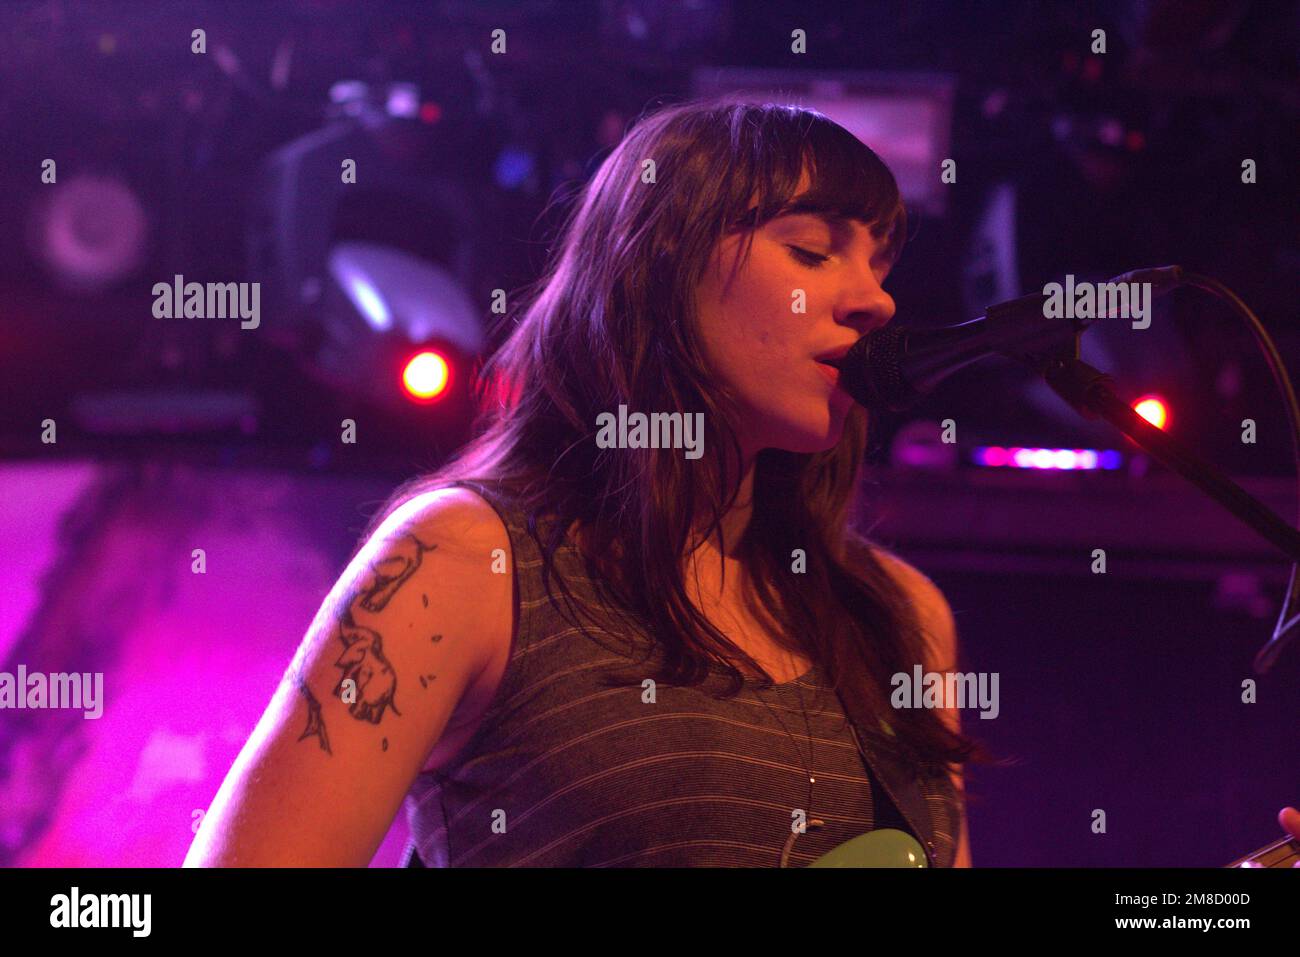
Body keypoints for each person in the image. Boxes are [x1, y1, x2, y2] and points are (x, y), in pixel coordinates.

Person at [182, 98, 1300, 868]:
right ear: (656, 276)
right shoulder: (465, 562)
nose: (875, 302)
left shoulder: (903, 620)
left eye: (879, 262)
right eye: (814, 251)